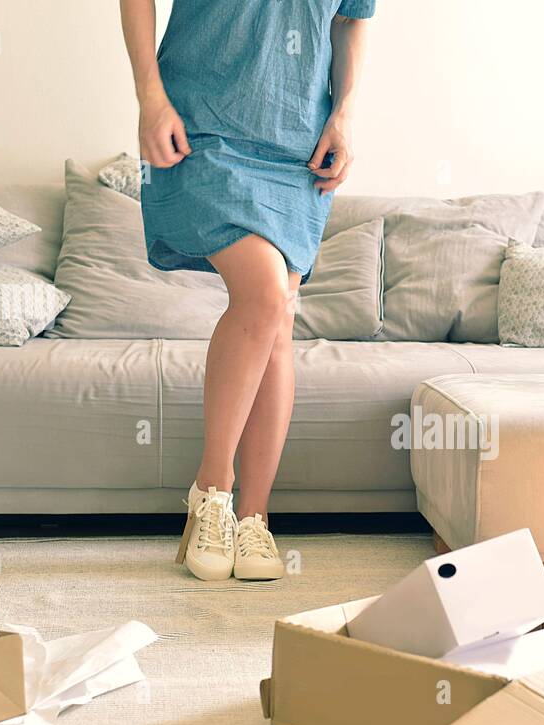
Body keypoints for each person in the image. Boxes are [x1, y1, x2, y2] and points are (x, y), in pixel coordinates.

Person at [119, 0, 374, 581]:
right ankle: (213, 490)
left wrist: (346, 113)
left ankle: (253, 520)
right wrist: (150, 98)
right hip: (200, 124)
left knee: (278, 318)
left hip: (298, 141)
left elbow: (352, 18)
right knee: (264, 296)